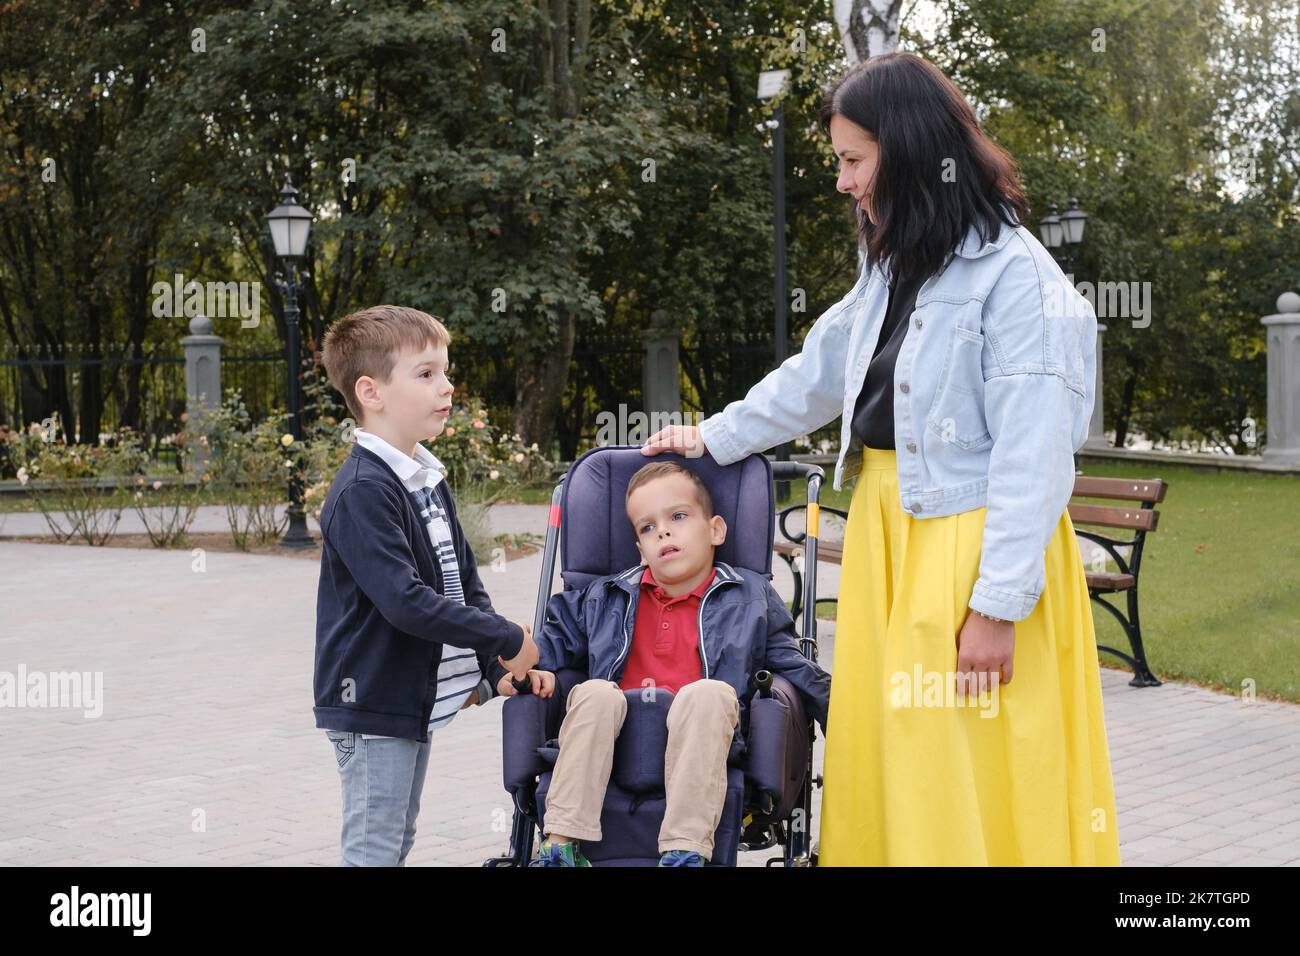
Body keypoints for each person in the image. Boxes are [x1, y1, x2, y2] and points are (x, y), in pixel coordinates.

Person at [643, 53, 1120, 866]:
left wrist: (997, 607)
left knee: (964, 759)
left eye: (853, 160)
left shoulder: (1020, 284)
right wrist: (713, 436)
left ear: (908, 151)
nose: (842, 181)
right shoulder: (897, 264)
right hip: (891, 535)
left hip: (970, 551)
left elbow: (1035, 458)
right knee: (899, 752)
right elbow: (820, 374)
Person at [507, 460, 830, 867]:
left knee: (709, 694)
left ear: (715, 530)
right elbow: (545, 650)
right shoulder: (601, 598)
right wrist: (512, 668)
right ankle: (560, 846)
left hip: (705, 743)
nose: (663, 531)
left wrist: (844, 717)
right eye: (647, 527)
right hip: (615, 743)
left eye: (678, 516)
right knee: (592, 692)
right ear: (640, 549)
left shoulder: (750, 596)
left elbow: (793, 664)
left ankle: (685, 851)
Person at [313, 304, 538, 866]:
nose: (447, 386)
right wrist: (508, 637)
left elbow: (462, 582)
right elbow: (405, 602)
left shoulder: (425, 479)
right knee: (375, 850)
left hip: (403, 698)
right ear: (371, 391)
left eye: (446, 371)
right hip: (370, 698)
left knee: (395, 841)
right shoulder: (365, 489)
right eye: (426, 373)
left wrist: (494, 669)